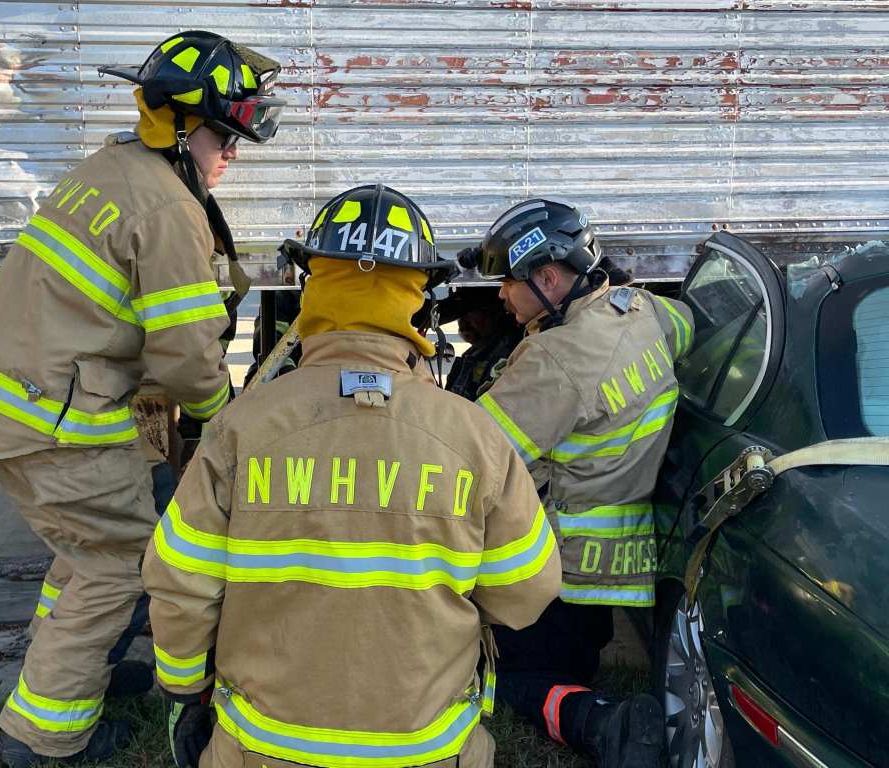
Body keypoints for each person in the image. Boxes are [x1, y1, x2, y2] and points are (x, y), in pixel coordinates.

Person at [0, 30, 285, 767]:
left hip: (4, 401)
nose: (232, 153)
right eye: (223, 136)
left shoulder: (111, 168)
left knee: (84, 551)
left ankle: (74, 671)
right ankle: (44, 740)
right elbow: (183, 353)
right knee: (122, 561)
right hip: (51, 417)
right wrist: (222, 422)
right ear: (178, 125)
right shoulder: (168, 209)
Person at [141, 184, 562, 768]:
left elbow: (180, 583)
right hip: (427, 749)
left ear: (315, 286)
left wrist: (186, 690)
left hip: (264, 747)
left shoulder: (240, 430)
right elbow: (527, 590)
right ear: (418, 297)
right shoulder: (476, 437)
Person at [462, 199, 694, 768]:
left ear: (547, 278)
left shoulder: (554, 360)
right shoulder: (640, 308)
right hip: (609, 575)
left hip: (555, 574)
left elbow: (470, 458)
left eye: (508, 283)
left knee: (507, 682)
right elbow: (688, 330)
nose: (499, 296)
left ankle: (605, 724)